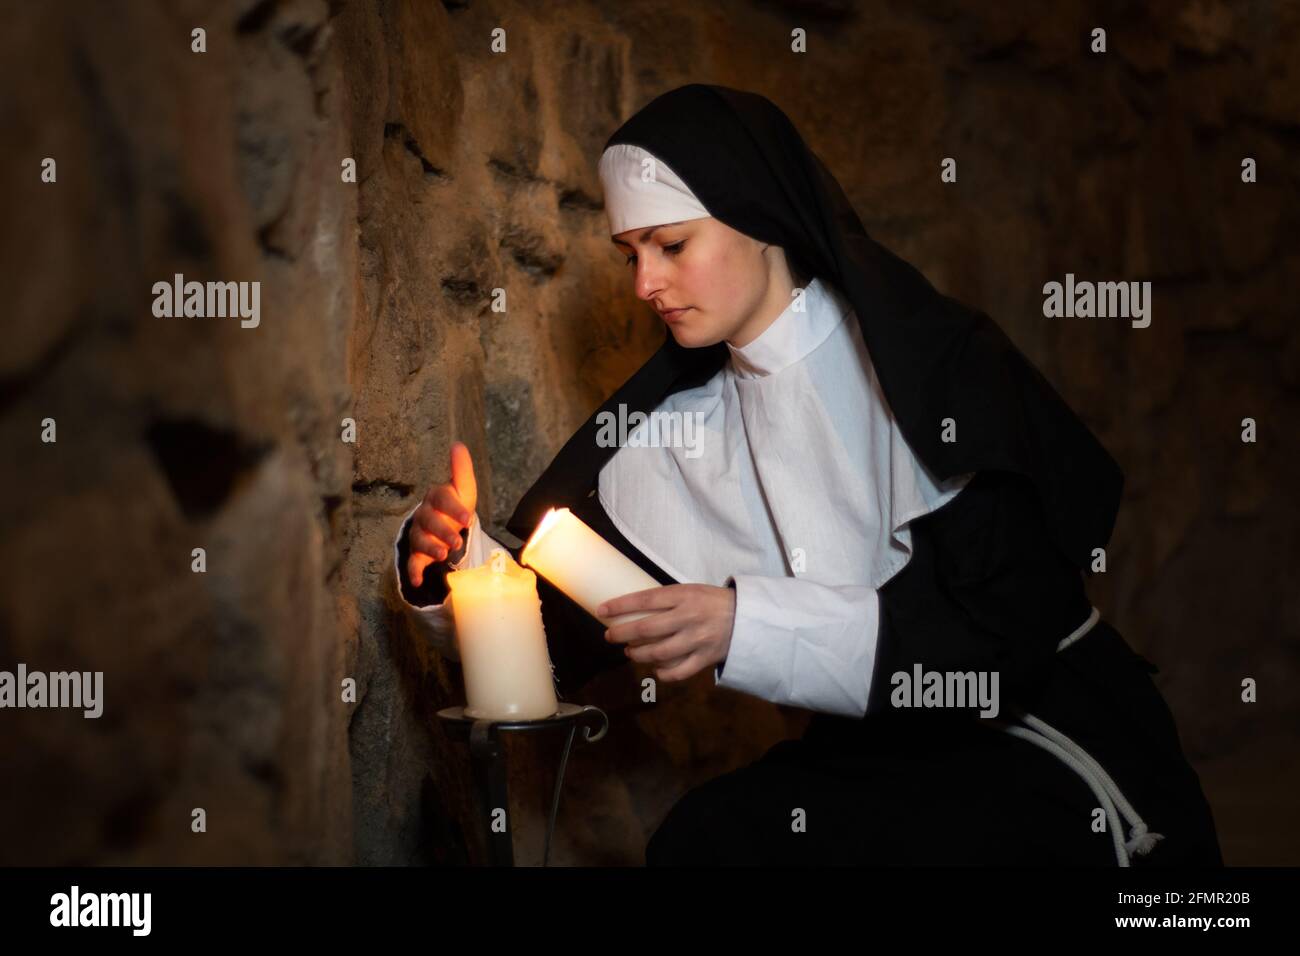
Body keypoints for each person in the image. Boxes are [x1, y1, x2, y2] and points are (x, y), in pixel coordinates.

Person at [392, 84, 1223, 866]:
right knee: (708, 843)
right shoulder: (677, 432)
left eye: (672, 245)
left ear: (762, 222)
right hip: (870, 755)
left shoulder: (932, 373)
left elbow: (997, 642)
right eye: (631, 255)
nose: (646, 284)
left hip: (1036, 736)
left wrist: (748, 626)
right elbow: (558, 641)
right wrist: (457, 567)